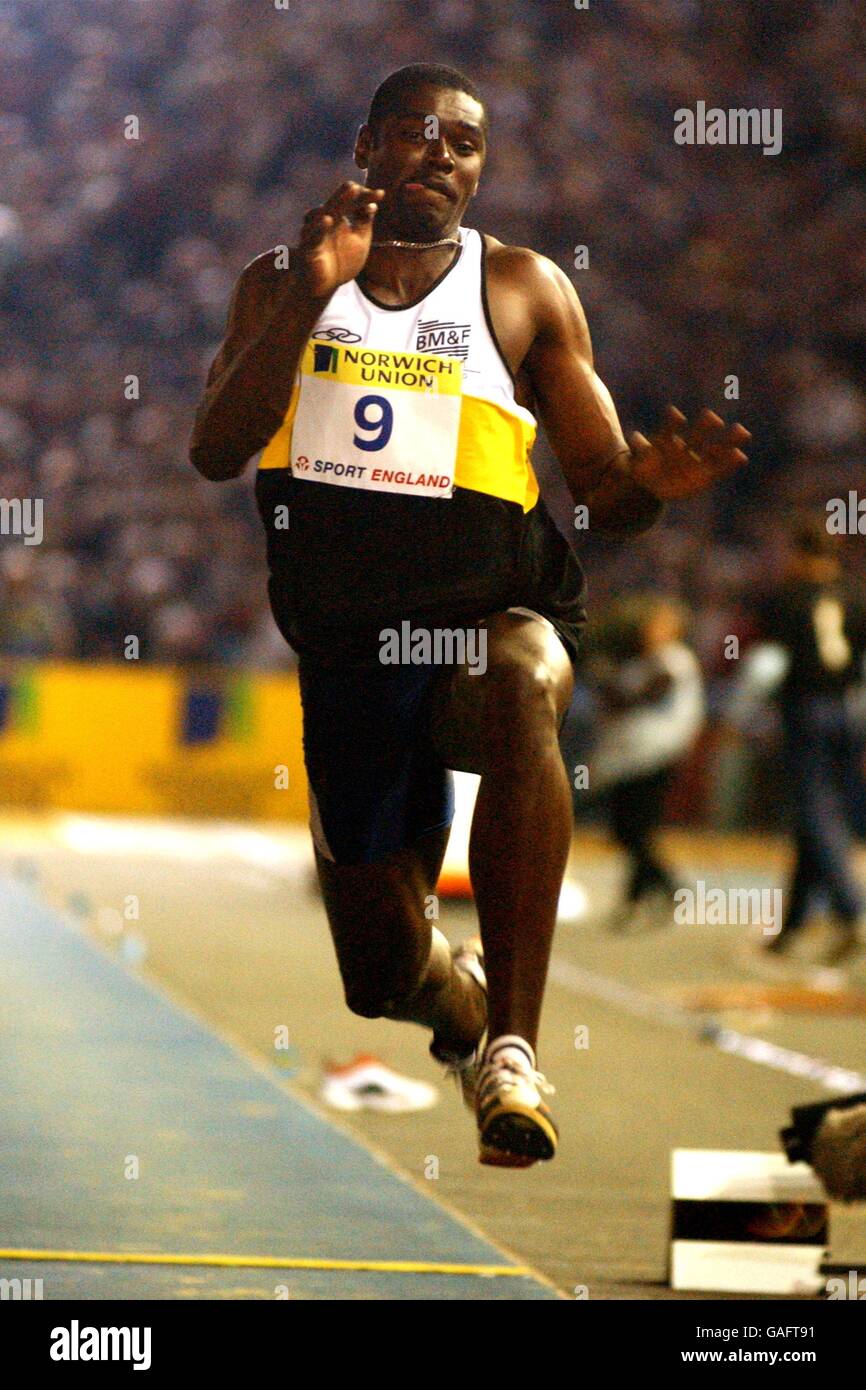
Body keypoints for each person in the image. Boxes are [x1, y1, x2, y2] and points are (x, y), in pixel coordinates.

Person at [188, 63, 749, 1167]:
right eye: (414, 134)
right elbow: (213, 450)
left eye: (464, 143)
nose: (441, 155)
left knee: (519, 680)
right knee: (379, 977)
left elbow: (607, 492)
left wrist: (650, 487)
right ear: (363, 147)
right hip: (350, 648)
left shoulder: (523, 288)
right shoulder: (277, 282)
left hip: (486, 610)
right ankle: (458, 1006)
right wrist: (312, 292)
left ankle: (512, 1048)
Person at [754, 519, 866, 966]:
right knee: (813, 815)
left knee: (817, 810)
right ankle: (794, 925)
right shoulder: (855, 595)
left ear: (800, 553)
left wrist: (744, 714)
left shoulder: (787, 598)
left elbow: (766, 664)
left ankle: (850, 909)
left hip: (806, 711)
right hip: (848, 711)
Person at [586, 596, 705, 930]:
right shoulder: (641, 662)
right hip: (630, 759)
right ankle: (648, 894)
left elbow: (632, 697)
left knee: (635, 829)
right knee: (628, 830)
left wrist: (605, 676)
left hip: (655, 756)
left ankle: (657, 892)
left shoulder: (674, 661)